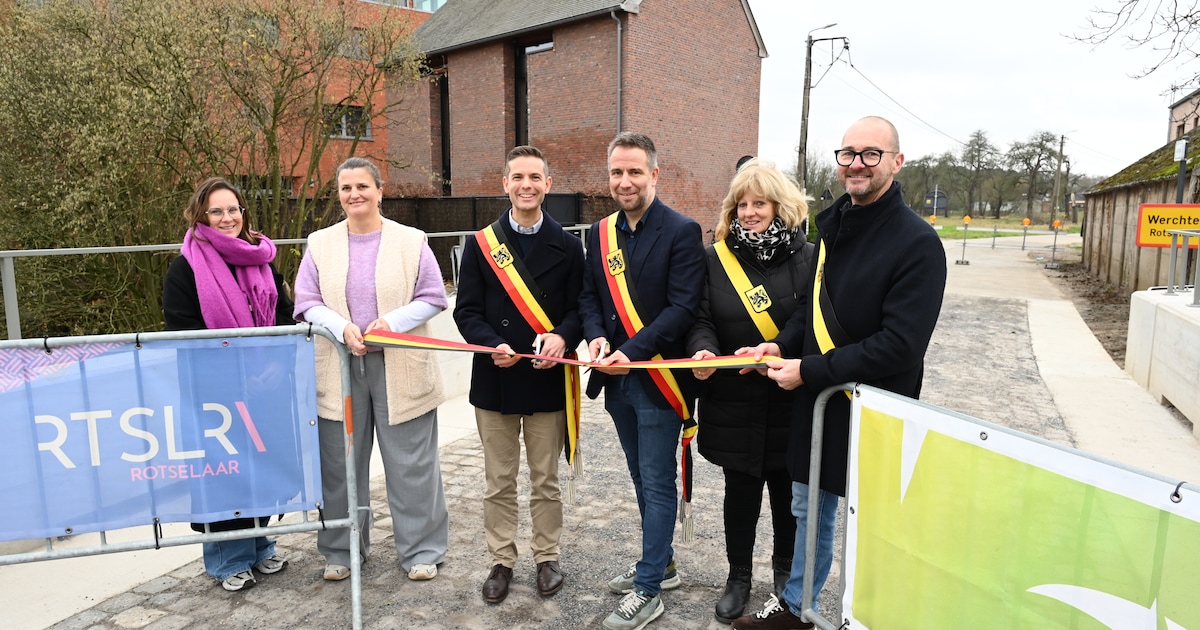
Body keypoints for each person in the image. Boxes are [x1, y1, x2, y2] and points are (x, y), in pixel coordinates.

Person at [732, 116, 947, 629]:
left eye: (871, 154)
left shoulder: (918, 243)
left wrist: (808, 370)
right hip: (820, 401)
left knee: (865, 522)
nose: (857, 163)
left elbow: (901, 346)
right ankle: (796, 610)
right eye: (848, 153)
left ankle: (862, 616)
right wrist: (779, 344)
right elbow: (811, 309)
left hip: (873, 406)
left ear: (897, 162)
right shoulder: (829, 228)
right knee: (810, 512)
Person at [293, 157, 450, 583]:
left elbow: (434, 296)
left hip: (401, 363)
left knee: (411, 463)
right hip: (338, 366)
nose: (354, 194)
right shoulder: (319, 243)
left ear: (381, 190)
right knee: (340, 464)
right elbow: (305, 302)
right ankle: (343, 550)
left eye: (362, 186)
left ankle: (422, 550)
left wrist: (390, 324)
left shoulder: (411, 240)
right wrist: (342, 327)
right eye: (346, 188)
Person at [579, 132, 706, 630]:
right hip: (616, 381)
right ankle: (663, 562)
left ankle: (649, 586)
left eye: (634, 172)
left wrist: (629, 353)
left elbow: (681, 309)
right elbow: (590, 296)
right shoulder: (599, 233)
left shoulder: (681, 230)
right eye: (616, 172)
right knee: (640, 478)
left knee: (656, 483)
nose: (624, 181)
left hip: (656, 381)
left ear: (655, 174)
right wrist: (594, 338)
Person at [453, 145, 585, 604]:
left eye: (535, 177)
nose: (526, 185)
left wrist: (563, 336)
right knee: (498, 480)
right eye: (517, 177)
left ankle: (547, 556)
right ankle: (501, 560)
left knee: (545, 478)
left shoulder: (569, 247)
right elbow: (466, 309)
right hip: (496, 378)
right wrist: (493, 343)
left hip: (547, 378)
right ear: (504, 183)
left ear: (548, 184)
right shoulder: (480, 243)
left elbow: (577, 309)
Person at [685, 159, 814, 624]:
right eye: (742, 204)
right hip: (733, 398)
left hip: (788, 395)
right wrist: (702, 351)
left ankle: (784, 576)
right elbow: (700, 318)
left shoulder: (810, 257)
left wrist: (781, 348)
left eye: (760, 203)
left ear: (781, 206)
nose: (750, 212)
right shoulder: (714, 257)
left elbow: (812, 323)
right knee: (739, 496)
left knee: (786, 496)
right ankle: (738, 576)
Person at [161, 177, 294, 592]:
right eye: (216, 211)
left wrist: (277, 363)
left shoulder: (262, 259)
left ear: (243, 212)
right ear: (201, 215)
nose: (227, 218)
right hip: (215, 391)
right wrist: (238, 372)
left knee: (262, 467)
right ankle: (226, 559)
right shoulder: (185, 268)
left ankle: (258, 546)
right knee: (224, 471)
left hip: (266, 387)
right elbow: (183, 328)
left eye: (233, 209)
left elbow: (287, 318)